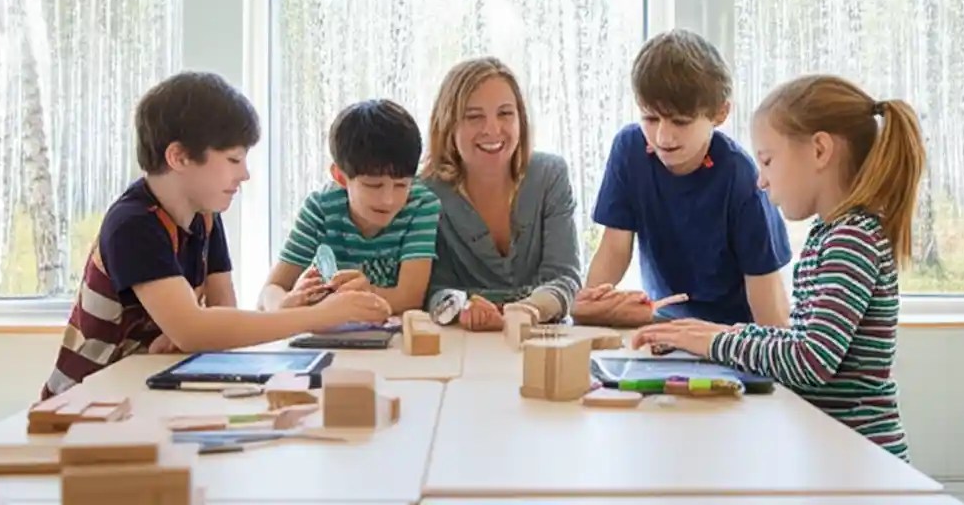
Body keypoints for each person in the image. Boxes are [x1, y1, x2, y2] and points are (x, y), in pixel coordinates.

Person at [41, 73, 389, 399]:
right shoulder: (133, 224)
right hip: (87, 400)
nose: (246, 174)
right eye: (234, 159)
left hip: (145, 389)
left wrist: (280, 311)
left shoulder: (205, 216)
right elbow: (196, 330)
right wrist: (320, 315)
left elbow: (221, 315)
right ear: (178, 157)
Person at [634, 75, 922, 461]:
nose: (761, 179)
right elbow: (796, 341)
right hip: (833, 454)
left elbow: (810, 360)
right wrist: (715, 332)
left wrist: (713, 341)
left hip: (860, 461)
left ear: (820, 150)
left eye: (768, 160)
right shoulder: (831, 234)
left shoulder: (850, 240)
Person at [576, 30, 792, 328]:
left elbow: (768, 302)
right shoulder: (629, 149)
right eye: (650, 119)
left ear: (720, 113)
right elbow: (614, 247)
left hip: (729, 335)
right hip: (664, 325)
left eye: (680, 121)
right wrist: (588, 312)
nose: (663, 136)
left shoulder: (741, 179)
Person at [421, 57, 582, 330]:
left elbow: (565, 277)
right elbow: (432, 290)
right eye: (474, 117)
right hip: (464, 343)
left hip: (541, 338)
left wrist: (528, 310)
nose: (493, 129)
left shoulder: (550, 175)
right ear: (448, 124)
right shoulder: (426, 193)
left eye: (505, 114)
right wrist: (462, 307)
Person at [261, 100, 440, 315]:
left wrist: (366, 293)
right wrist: (284, 303)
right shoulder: (321, 209)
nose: (388, 200)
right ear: (340, 177)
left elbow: (410, 298)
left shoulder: (421, 205)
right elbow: (270, 290)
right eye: (373, 185)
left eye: (401, 185)